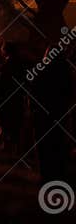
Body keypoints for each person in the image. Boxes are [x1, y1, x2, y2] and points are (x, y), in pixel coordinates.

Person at [32, 44, 73, 182]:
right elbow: (70, 92)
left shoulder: (41, 70)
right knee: (58, 142)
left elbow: (33, 92)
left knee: (44, 144)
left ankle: (46, 173)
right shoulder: (66, 69)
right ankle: (59, 172)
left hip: (42, 113)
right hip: (59, 111)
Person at [0, 41, 25, 152]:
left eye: (2, 49)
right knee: (15, 121)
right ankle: (16, 146)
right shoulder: (20, 63)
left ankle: (7, 145)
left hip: (6, 96)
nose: (1, 51)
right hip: (18, 97)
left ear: (6, 51)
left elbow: (2, 82)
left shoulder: (7, 65)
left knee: (5, 120)